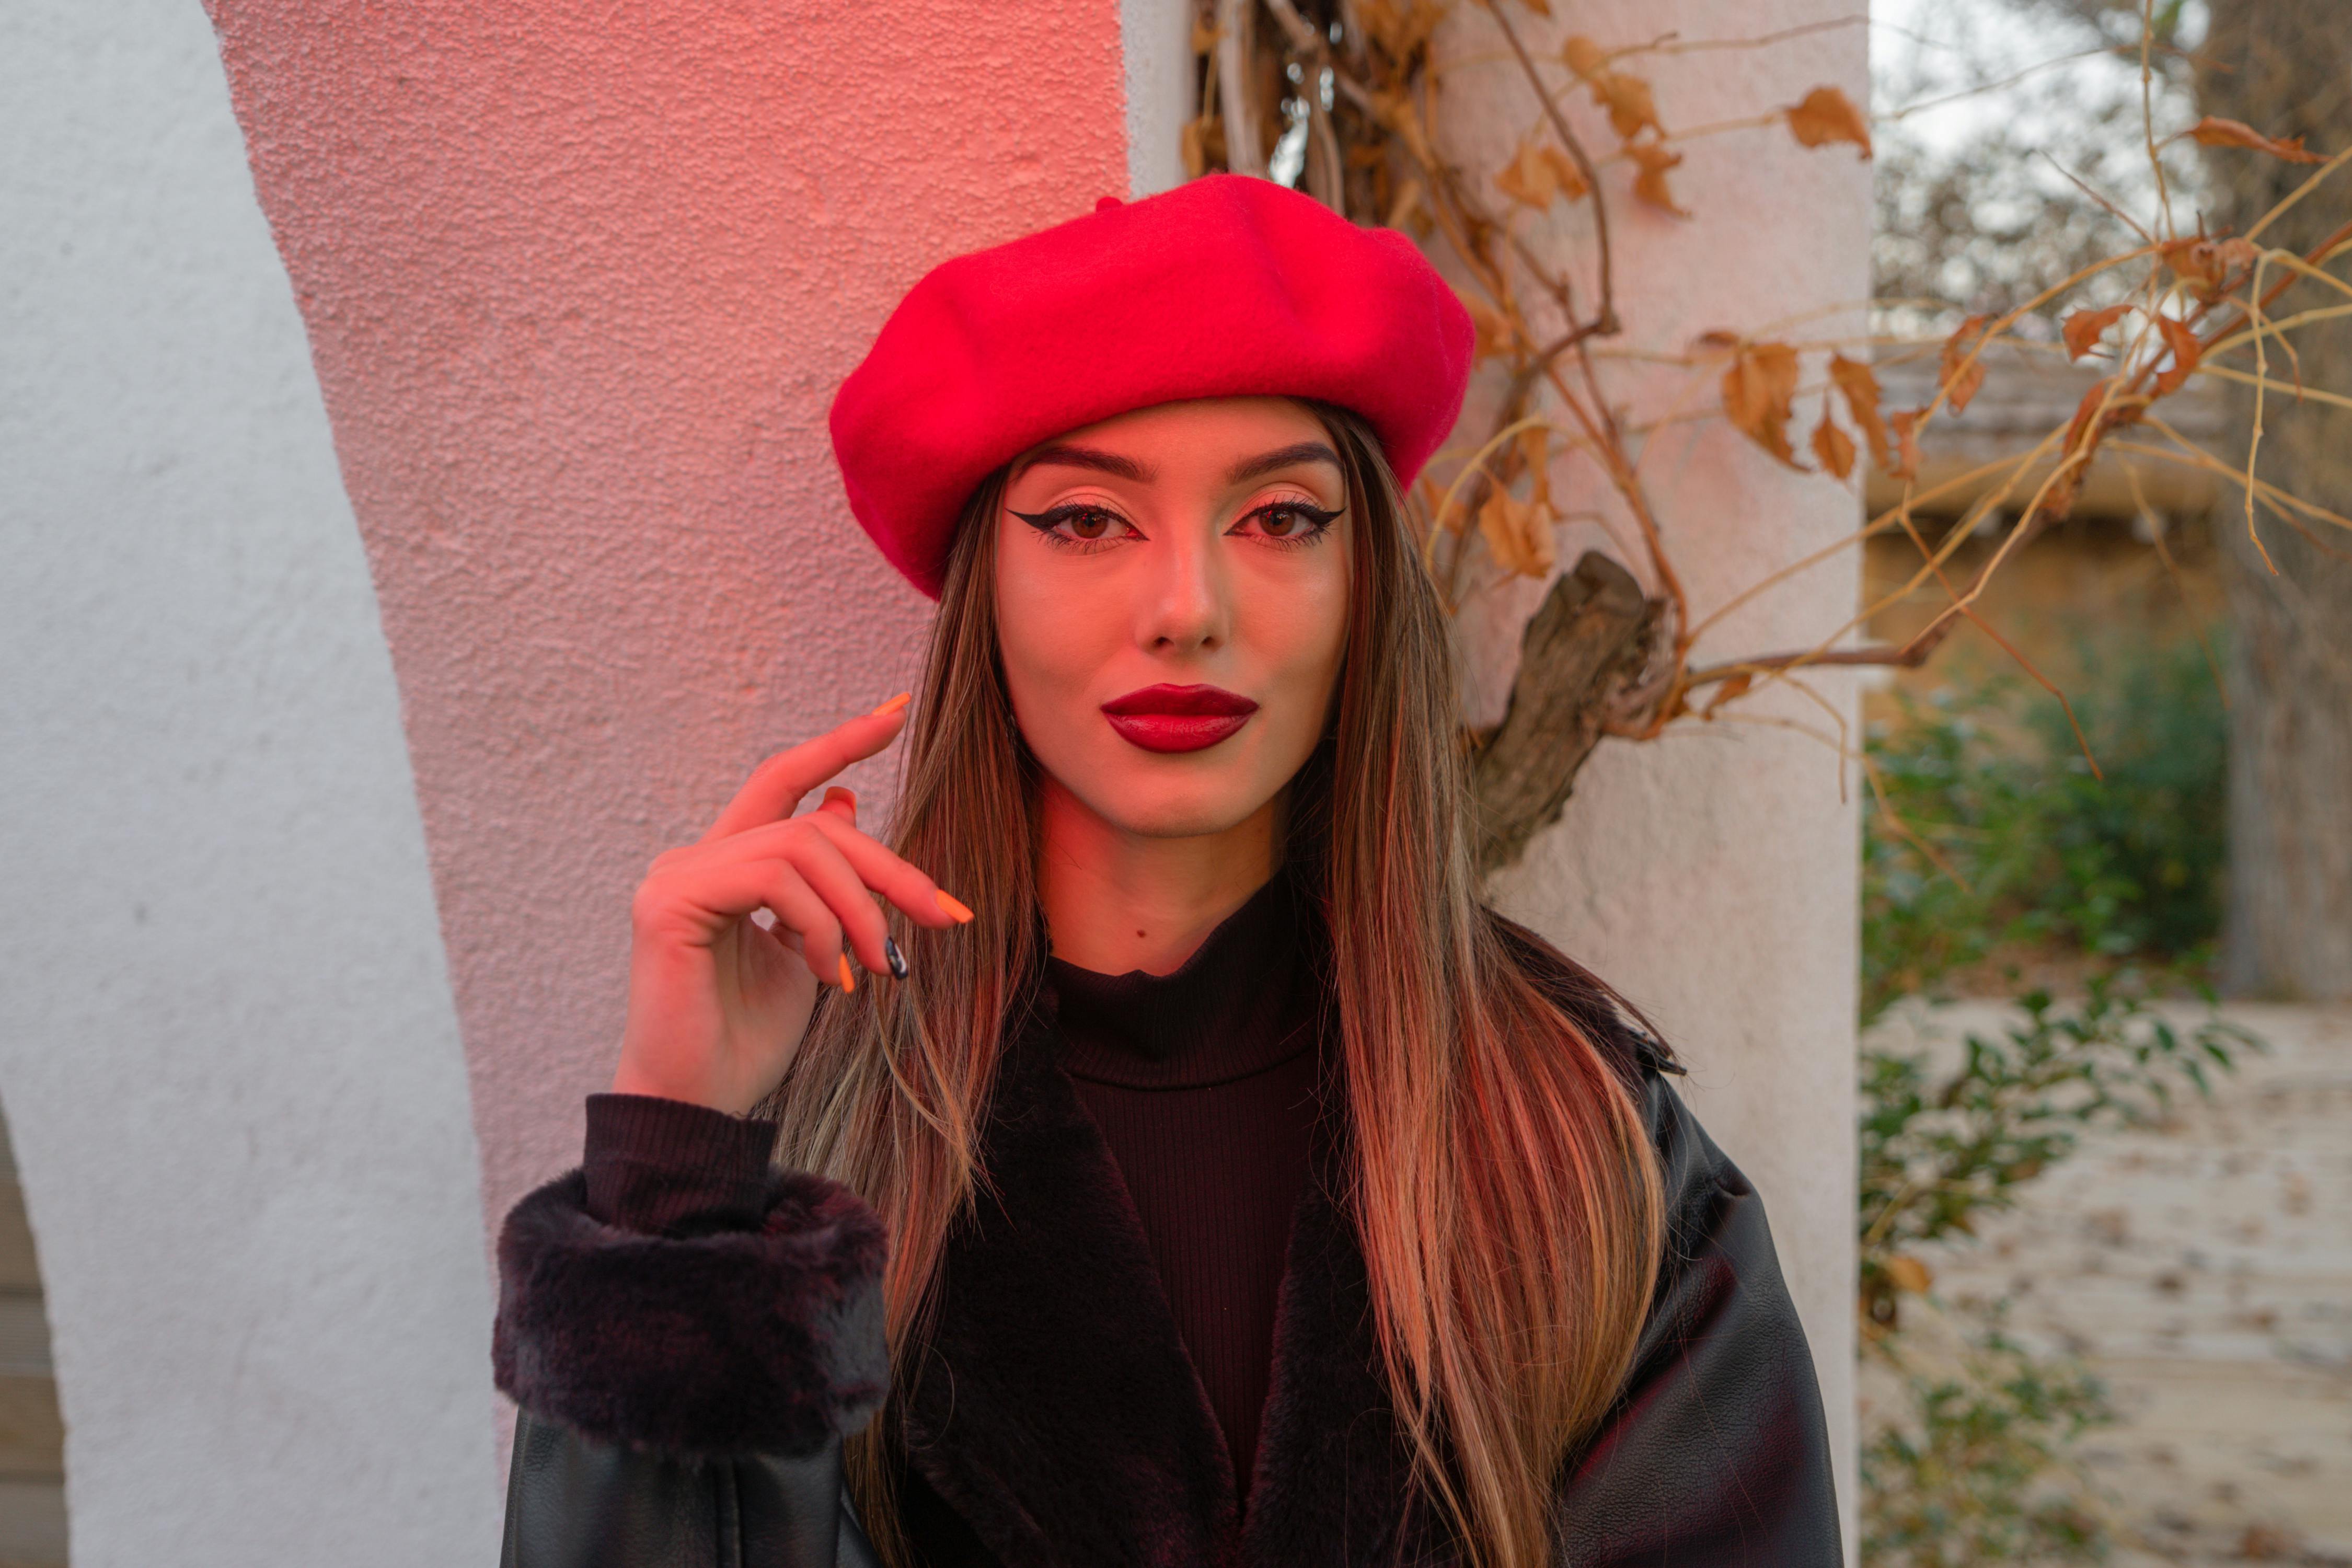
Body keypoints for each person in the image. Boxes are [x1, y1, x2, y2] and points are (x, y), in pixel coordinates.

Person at [492, 175, 1839, 1568]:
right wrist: (676, 1171)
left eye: (1280, 520)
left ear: (1364, 583)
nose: (1187, 606)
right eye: (1084, 522)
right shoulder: (819, 1156)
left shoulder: (1577, 1147)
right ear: (982, 597)